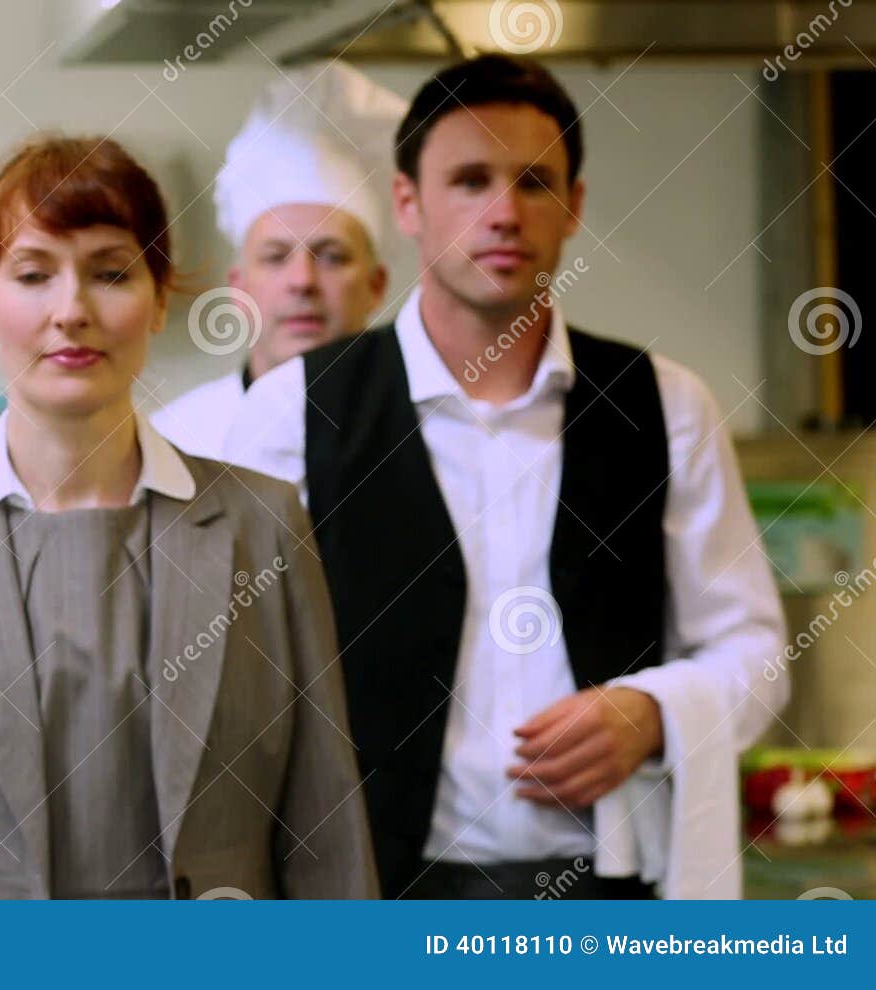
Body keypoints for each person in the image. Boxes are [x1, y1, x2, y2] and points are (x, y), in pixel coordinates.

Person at [225, 54, 788, 900]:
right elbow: (233, 676)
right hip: (367, 896)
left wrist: (656, 711)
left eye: (534, 181)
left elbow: (756, 652)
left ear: (575, 207)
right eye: (470, 179)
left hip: (611, 898)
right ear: (408, 202)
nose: (503, 212)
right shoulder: (290, 413)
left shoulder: (666, 404)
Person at [0, 136, 376, 899]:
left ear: (160, 296)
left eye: (111, 272)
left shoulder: (262, 527)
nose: (71, 311)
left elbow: (327, 845)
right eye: (34, 273)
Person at [152, 63, 398, 459]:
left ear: (376, 286)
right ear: (239, 287)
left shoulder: (427, 431)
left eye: (331, 256)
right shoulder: (175, 443)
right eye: (276, 257)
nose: (303, 280)